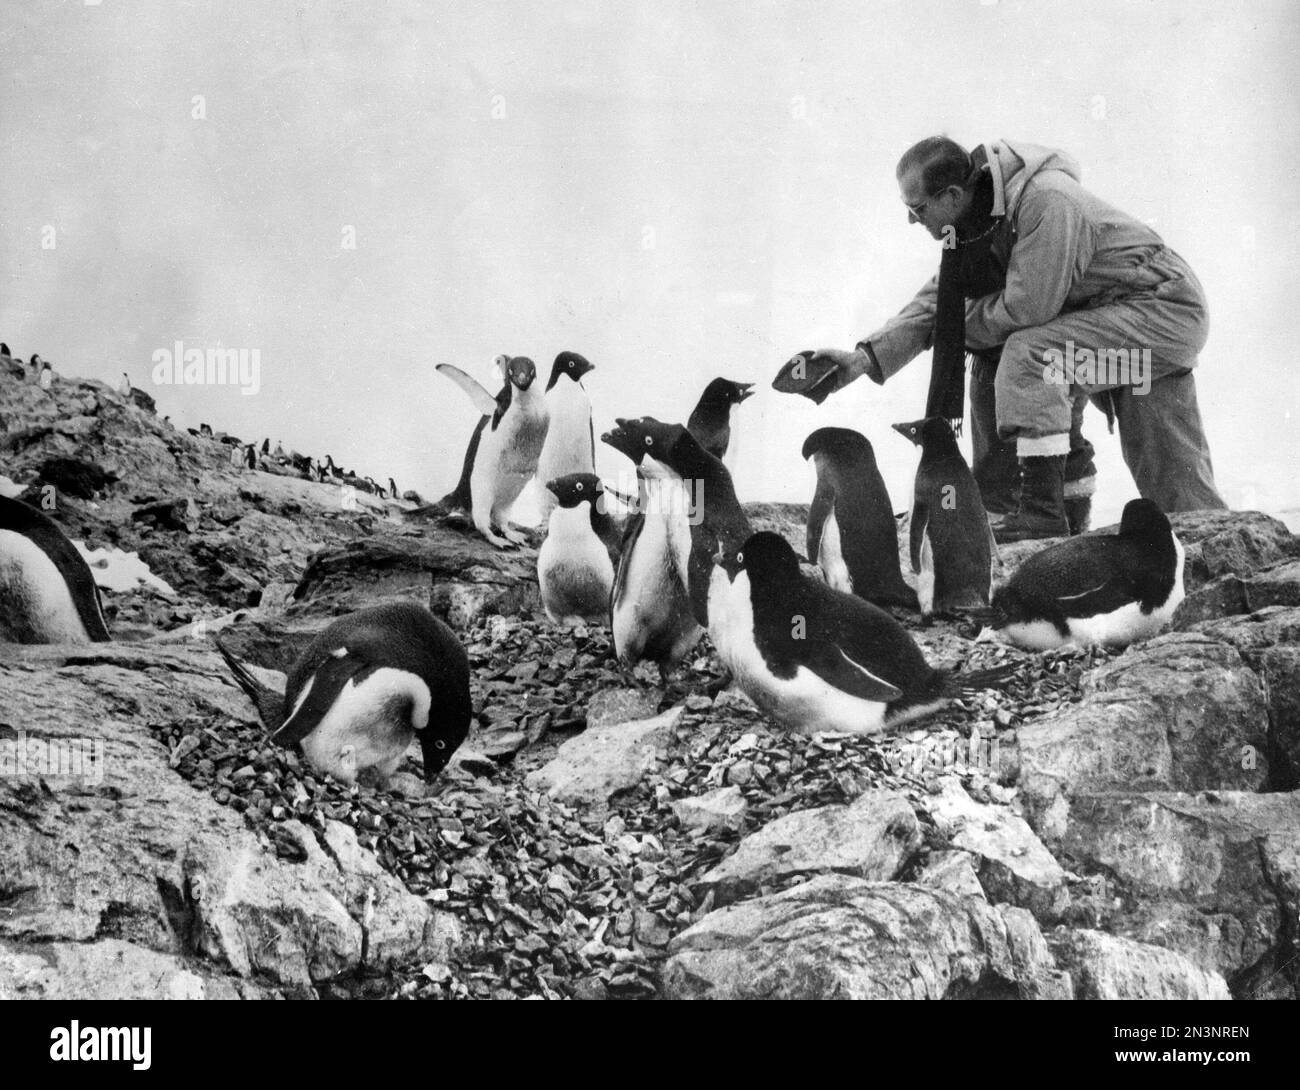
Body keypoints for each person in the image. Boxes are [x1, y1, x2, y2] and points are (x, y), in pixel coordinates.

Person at [809, 137, 1226, 540]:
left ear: (952, 196)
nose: (911, 220)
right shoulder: (978, 219)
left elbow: (1029, 309)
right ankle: (1025, 504)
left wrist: (955, 328)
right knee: (1185, 505)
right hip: (1111, 320)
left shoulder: (1047, 201)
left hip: (1162, 313)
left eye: (917, 209)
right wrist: (862, 359)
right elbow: (942, 299)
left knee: (1034, 355)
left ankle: (1042, 514)